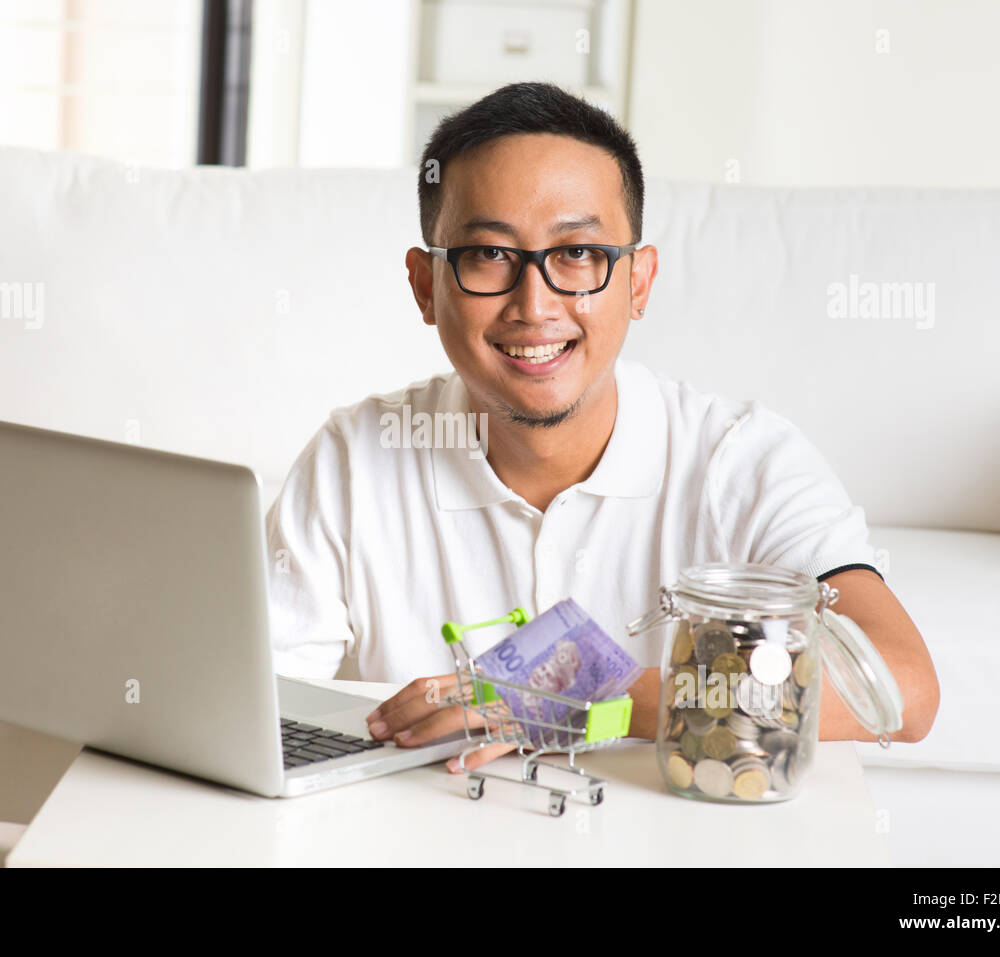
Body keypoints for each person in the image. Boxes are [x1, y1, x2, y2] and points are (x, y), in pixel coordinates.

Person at [265, 81, 940, 773]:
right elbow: (258, 704)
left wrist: (570, 699)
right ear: (426, 287)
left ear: (638, 281)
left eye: (578, 255)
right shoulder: (355, 458)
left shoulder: (741, 459)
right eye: (489, 255)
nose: (535, 304)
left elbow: (903, 688)